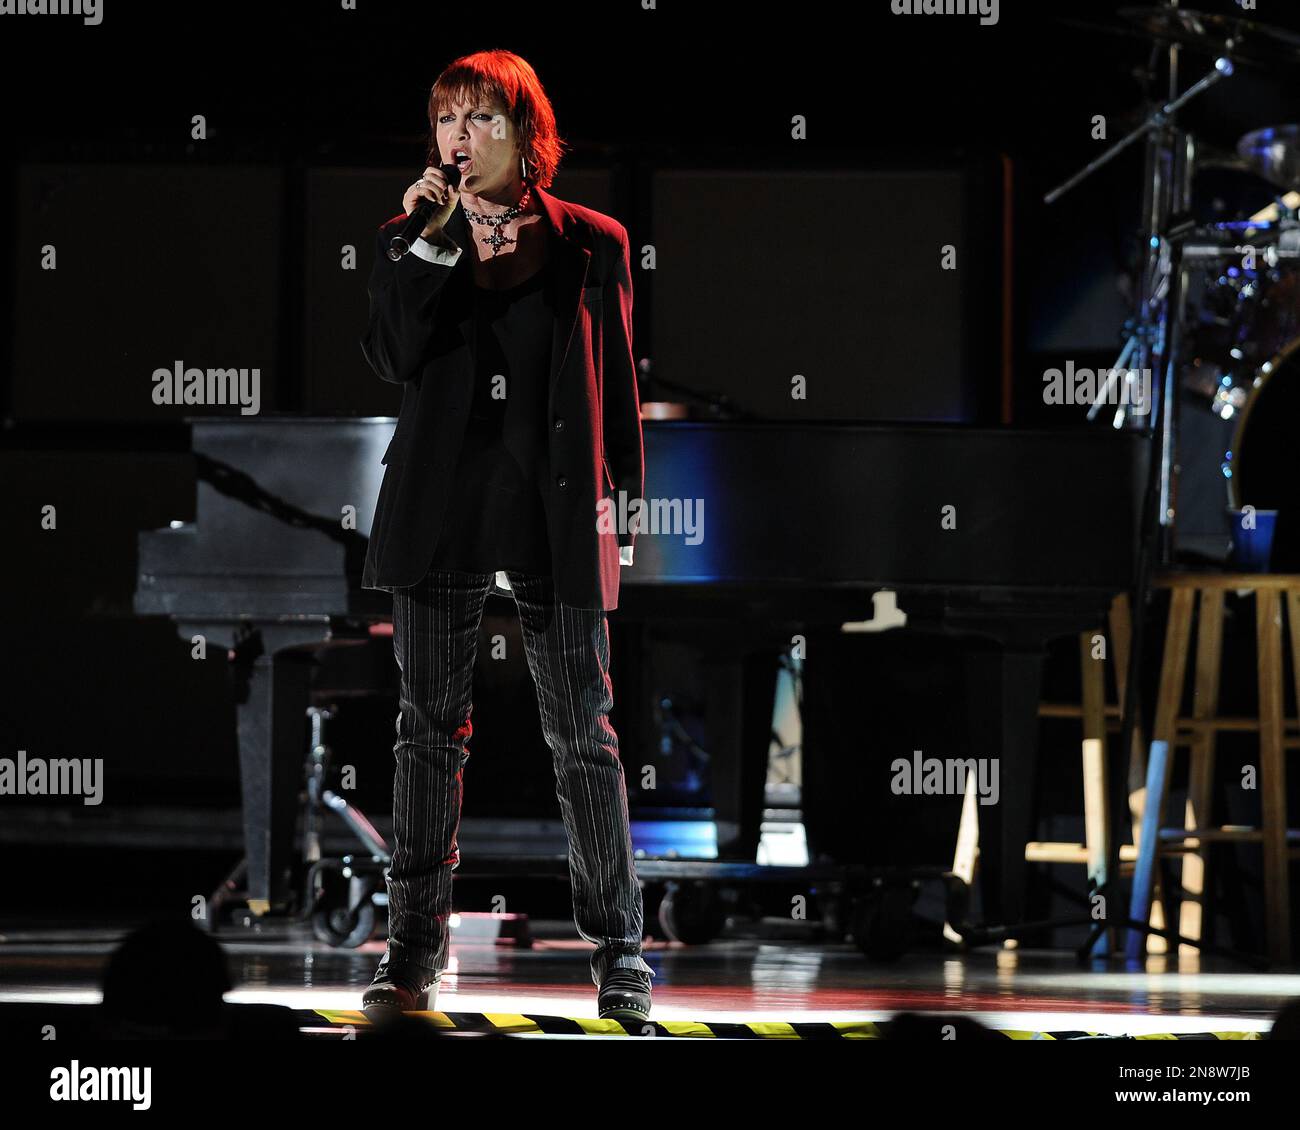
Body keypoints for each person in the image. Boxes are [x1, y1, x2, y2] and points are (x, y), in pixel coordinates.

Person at [357, 49, 654, 1022]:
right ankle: (410, 956)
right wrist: (429, 243)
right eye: (447, 119)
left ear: (528, 136)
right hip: (442, 507)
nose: (459, 137)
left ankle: (618, 955)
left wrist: (625, 500)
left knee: (585, 737)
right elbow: (392, 355)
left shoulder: (591, 240)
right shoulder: (408, 239)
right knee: (425, 736)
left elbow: (614, 382)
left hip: (553, 508)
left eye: (482, 119)